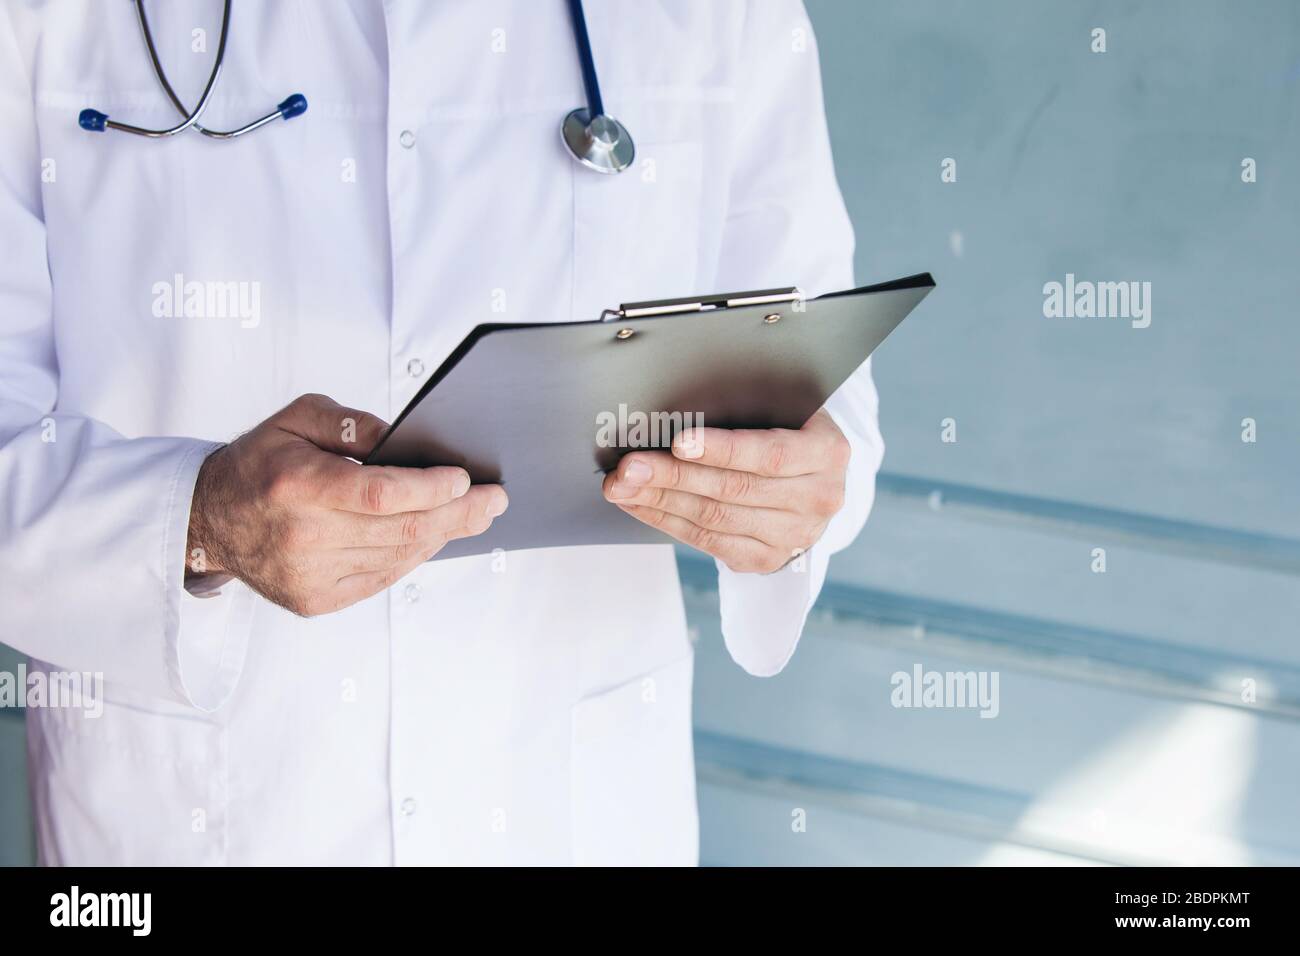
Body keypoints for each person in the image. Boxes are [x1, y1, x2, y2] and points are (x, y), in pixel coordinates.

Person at [0, 0, 883, 865]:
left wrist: (794, 492)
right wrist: (198, 522)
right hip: (203, 812)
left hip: (566, 801)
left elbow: (820, 383)